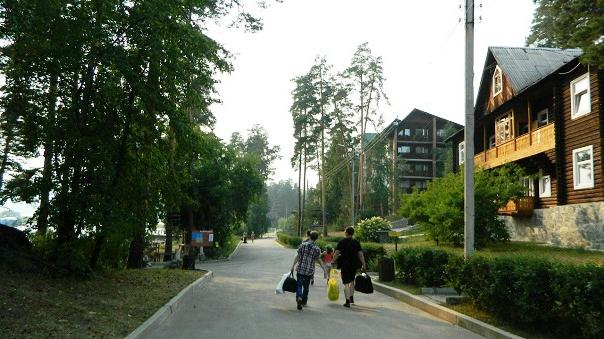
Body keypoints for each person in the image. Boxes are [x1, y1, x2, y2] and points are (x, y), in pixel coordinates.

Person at [290, 231, 325, 310]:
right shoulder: (317, 249)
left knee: (299, 285)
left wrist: (292, 266)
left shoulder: (302, 245)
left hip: (300, 269)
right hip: (309, 271)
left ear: (309, 236)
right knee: (306, 287)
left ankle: (299, 297)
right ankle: (304, 301)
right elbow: (319, 260)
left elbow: (298, 256)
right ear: (316, 239)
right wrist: (324, 270)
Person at [334, 226, 366, 308]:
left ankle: (347, 300)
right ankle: (351, 298)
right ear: (353, 233)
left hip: (344, 264)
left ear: (346, 232)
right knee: (352, 281)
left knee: (346, 283)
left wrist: (333, 261)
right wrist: (364, 264)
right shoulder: (356, 242)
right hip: (354, 264)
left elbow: (337, 253)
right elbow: (360, 254)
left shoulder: (342, 242)